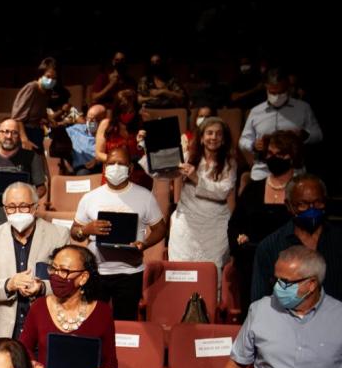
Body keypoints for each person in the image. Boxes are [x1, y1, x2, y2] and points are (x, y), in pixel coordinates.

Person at [250, 176, 342, 325]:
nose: (312, 209)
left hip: (337, 331)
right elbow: (259, 303)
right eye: (303, 204)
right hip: (287, 333)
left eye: (318, 203)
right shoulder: (269, 247)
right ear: (288, 205)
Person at [70, 148, 166, 322]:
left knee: (125, 325)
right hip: (96, 272)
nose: (115, 167)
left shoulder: (144, 196)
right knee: (94, 323)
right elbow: (74, 231)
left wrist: (144, 244)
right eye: (111, 163)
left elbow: (160, 229)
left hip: (130, 273)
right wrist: (85, 230)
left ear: (129, 169)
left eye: (121, 164)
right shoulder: (90, 197)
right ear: (104, 168)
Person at [0, 183, 71, 340]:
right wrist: (9, 284)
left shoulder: (58, 235)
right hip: (3, 330)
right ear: (5, 209)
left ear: (35, 207)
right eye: (11, 207)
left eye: (23, 206)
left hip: (44, 327)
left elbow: (67, 284)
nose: (17, 212)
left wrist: (41, 287)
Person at [228, 130, 302, 307]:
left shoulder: (301, 189)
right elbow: (235, 224)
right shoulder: (253, 189)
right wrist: (239, 240)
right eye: (269, 153)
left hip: (291, 268)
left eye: (279, 154)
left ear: (291, 156)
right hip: (253, 268)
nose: (273, 157)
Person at [167, 116, 237, 271]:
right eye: (209, 133)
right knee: (183, 272)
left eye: (218, 134)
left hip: (215, 228)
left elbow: (222, 192)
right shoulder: (187, 158)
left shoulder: (230, 163)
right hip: (186, 225)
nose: (213, 137)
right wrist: (146, 147)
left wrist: (196, 178)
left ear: (224, 139)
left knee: (210, 275)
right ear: (201, 138)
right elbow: (163, 173)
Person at [239, 70, 323, 180]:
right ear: (266, 88)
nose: (277, 96)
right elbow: (243, 141)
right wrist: (253, 145)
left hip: (294, 170)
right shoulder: (256, 111)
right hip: (263, 169)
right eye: (273, 93)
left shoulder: (303, 108)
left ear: (288, 88)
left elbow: (318, 135)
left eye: (281, 92)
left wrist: (305, 135)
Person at [0, 120, 48, 231]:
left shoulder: (32, 157)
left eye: (14, 133)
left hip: (22, 219)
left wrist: (26, 201)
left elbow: (41, 189)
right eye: (5, 132)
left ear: (19, 136)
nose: (9, 136)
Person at [10, 57, 67, 150]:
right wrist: (24, 139)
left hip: (37, 131)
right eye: (48, 77)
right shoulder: (32, 88)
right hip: (24, 132)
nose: (51, 80)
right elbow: (17, 117)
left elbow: (38, 111)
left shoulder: (46, 92)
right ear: (41, 75)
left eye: (54, 78)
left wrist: (49, 120)